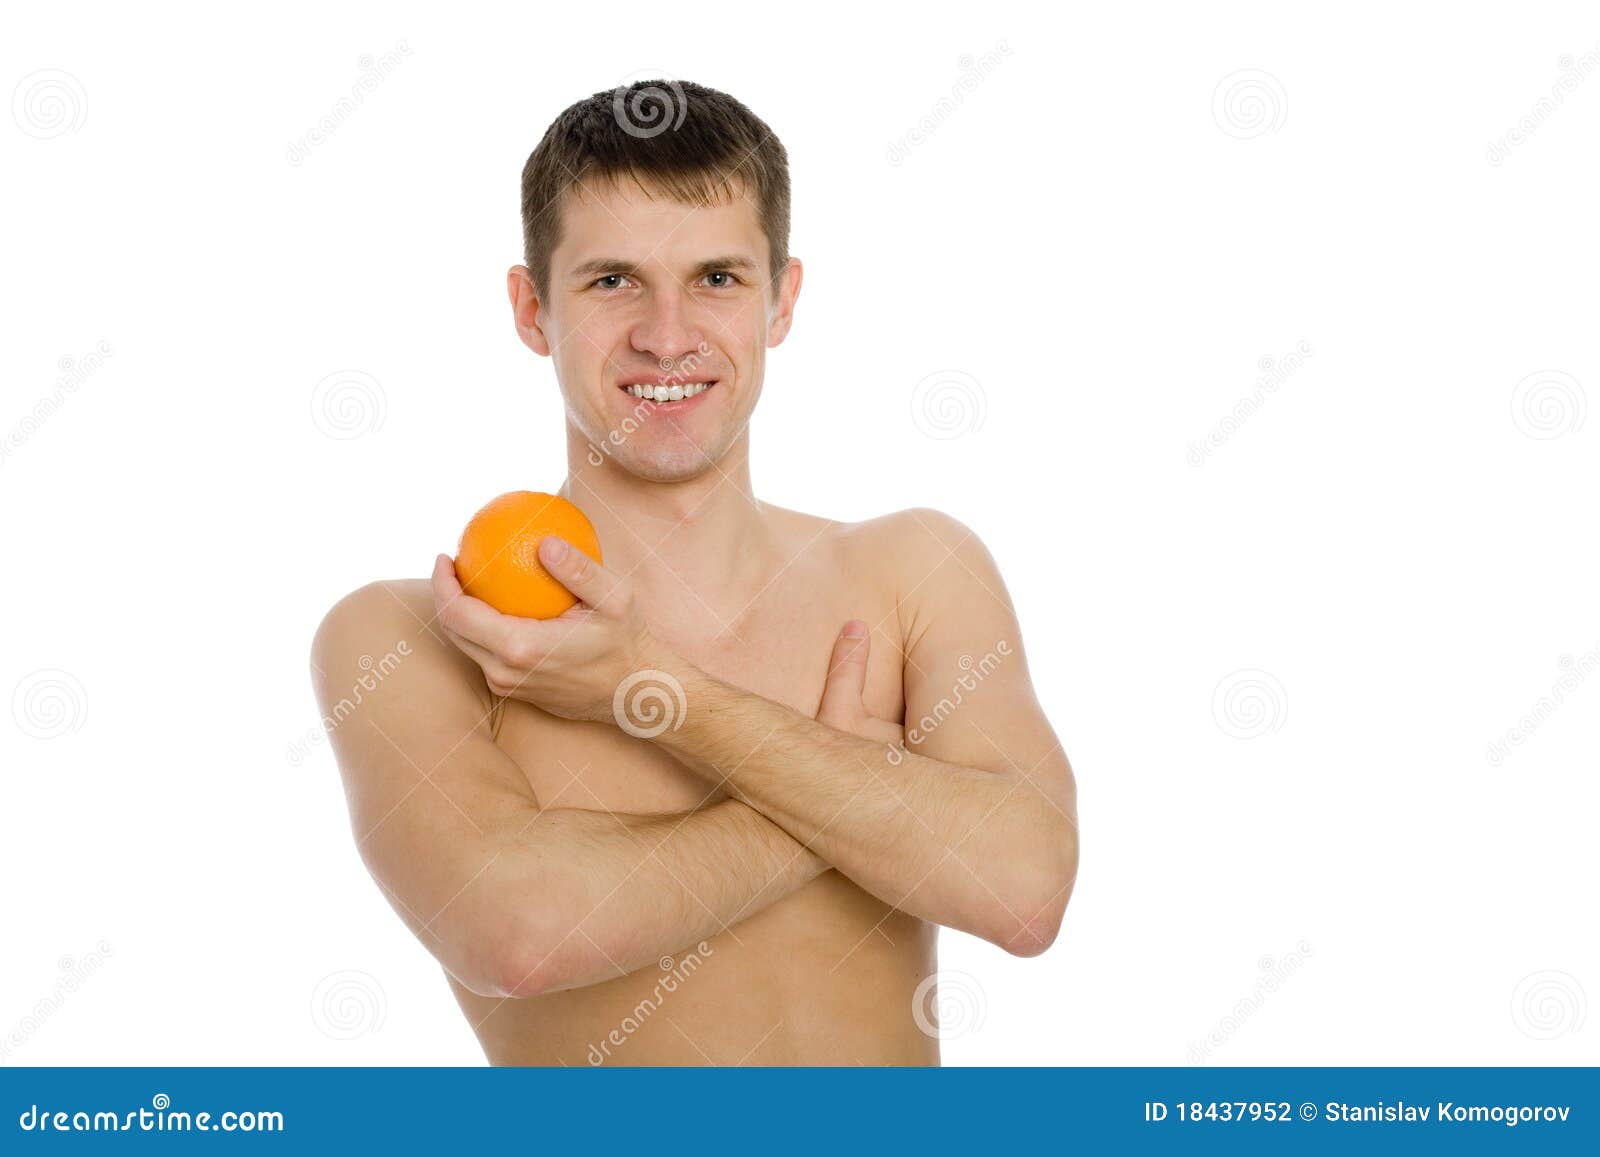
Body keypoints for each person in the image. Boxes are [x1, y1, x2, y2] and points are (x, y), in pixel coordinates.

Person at [311, 79, 1078, 1065]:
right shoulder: (418, 632)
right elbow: (518, 934)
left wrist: (651, 689)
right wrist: (848, 791)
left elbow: (1023, 889)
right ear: (530, 306)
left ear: (782, 299)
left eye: (716, 277)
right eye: (611, 280)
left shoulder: (915, 569)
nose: (666, 334)